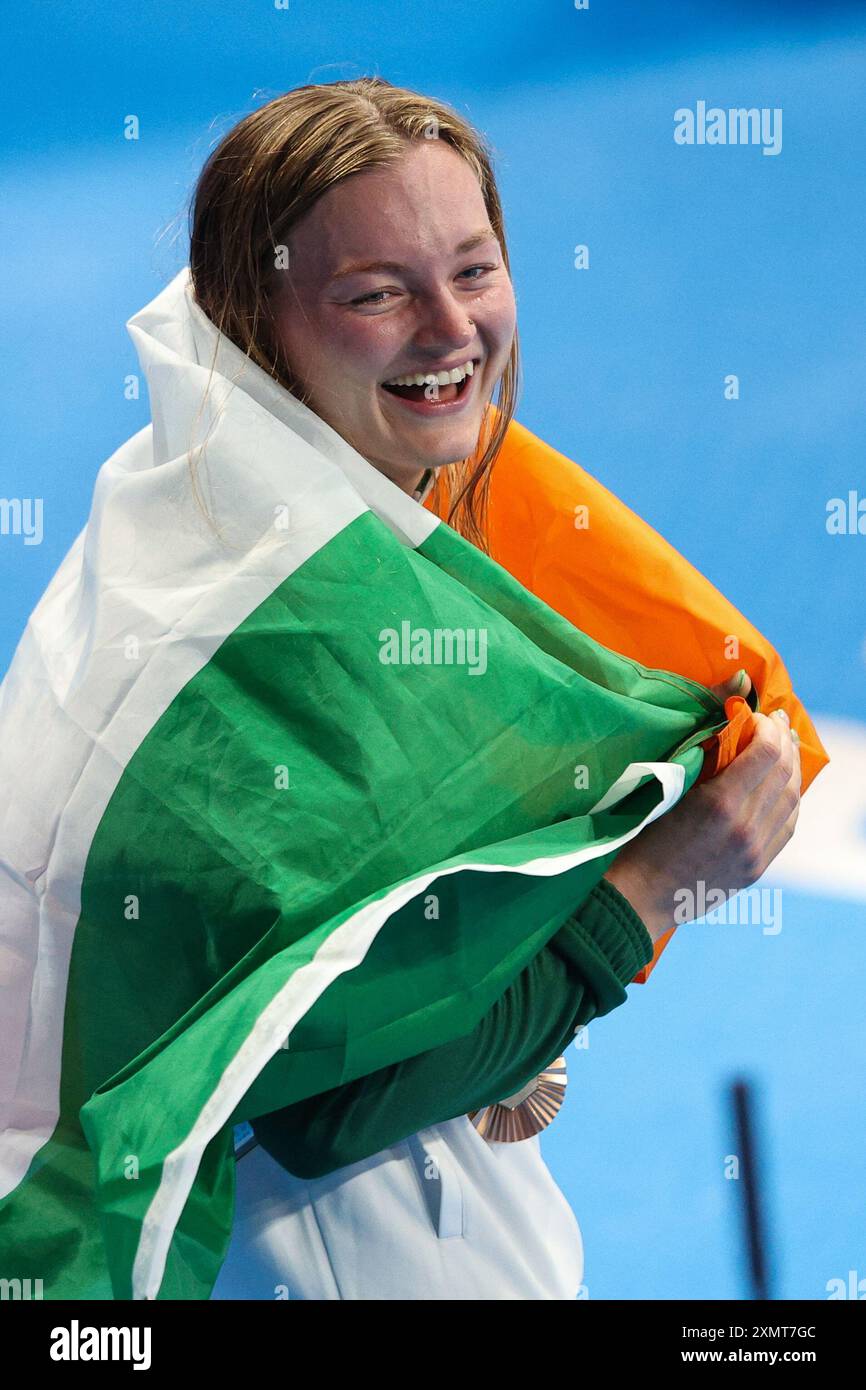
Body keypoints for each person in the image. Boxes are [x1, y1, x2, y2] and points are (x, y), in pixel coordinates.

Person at [180, 77, 803, 1299]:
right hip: (337, 1250)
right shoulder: (272, 635)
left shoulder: (310, 523)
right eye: (374, 293)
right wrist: (648, 889)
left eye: (472, 269)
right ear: (256, 320)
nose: (450, 328)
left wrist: (518, 1004)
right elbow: (326, 1102)